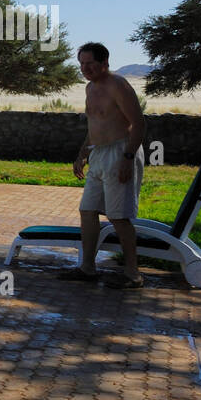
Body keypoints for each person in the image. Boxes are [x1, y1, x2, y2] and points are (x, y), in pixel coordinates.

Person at [61, 42, 146, 289]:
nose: (85, 68)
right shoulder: (90, 88)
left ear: (105, 63)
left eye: (90, 63)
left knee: (118, 216)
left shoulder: (118, 85)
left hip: (121, 151)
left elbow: (139, 124)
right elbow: (94, 125)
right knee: (87, 211)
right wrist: (82, 154)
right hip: (98, 154)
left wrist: (128, 158)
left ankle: (133, 274)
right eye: (81, 64)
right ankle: (87, 268)